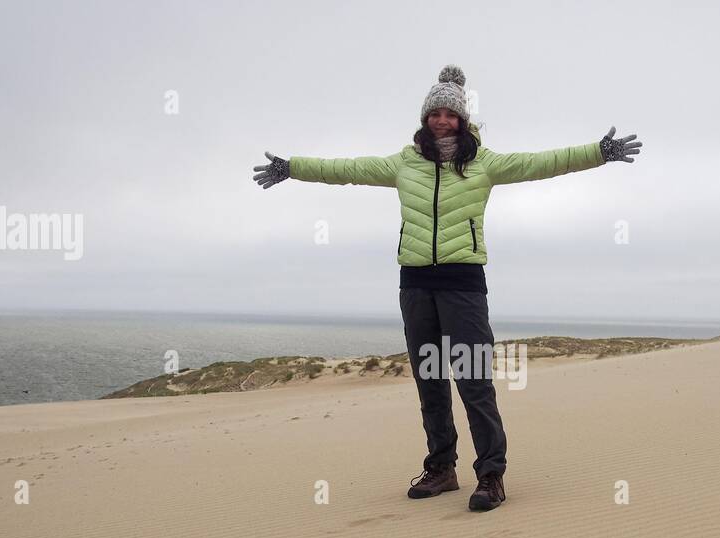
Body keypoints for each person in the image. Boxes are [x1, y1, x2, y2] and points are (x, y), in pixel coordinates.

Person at [253, 64, 640, 511]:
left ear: (462, 119)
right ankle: (441, 468)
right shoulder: (404, 163)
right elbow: (348, 168)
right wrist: (291, 167)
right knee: (430, 380)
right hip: (415, 285)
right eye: (434, 112)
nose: (441, 120)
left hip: (463, 286)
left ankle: (491, 475)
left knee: (473, 381)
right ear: (424, 118)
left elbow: (544, 163)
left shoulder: (484, 163)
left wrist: (600, 151)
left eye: (449, 113)